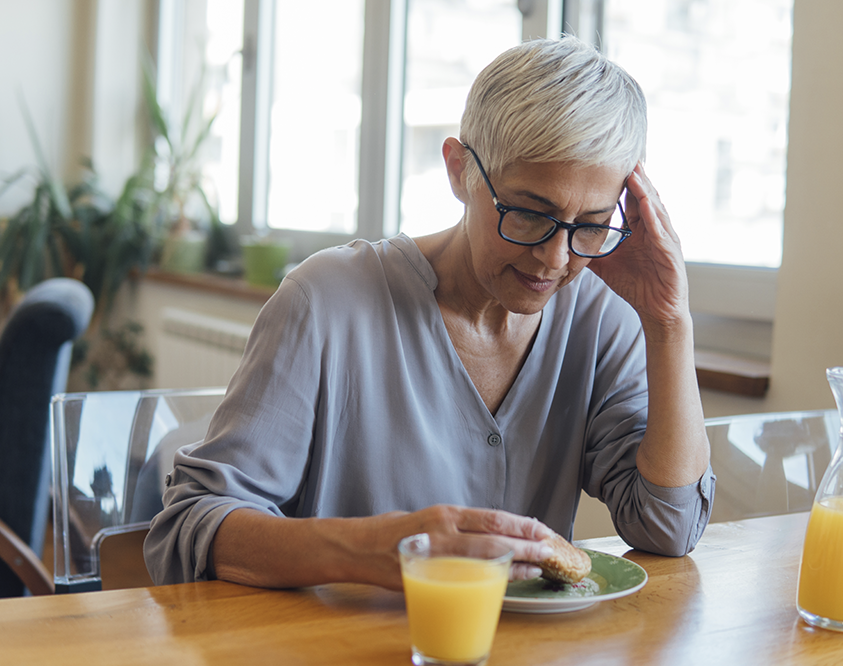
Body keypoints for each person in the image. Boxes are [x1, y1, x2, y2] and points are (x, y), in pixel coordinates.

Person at [145, 36, 715, 591]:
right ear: (458, 170)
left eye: (590, 224)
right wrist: (374, 549)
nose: (556, 257)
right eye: (527, 213)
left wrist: (669, 323)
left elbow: (668, 526)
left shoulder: (599, 317)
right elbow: (189, 527)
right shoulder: (325, 303)